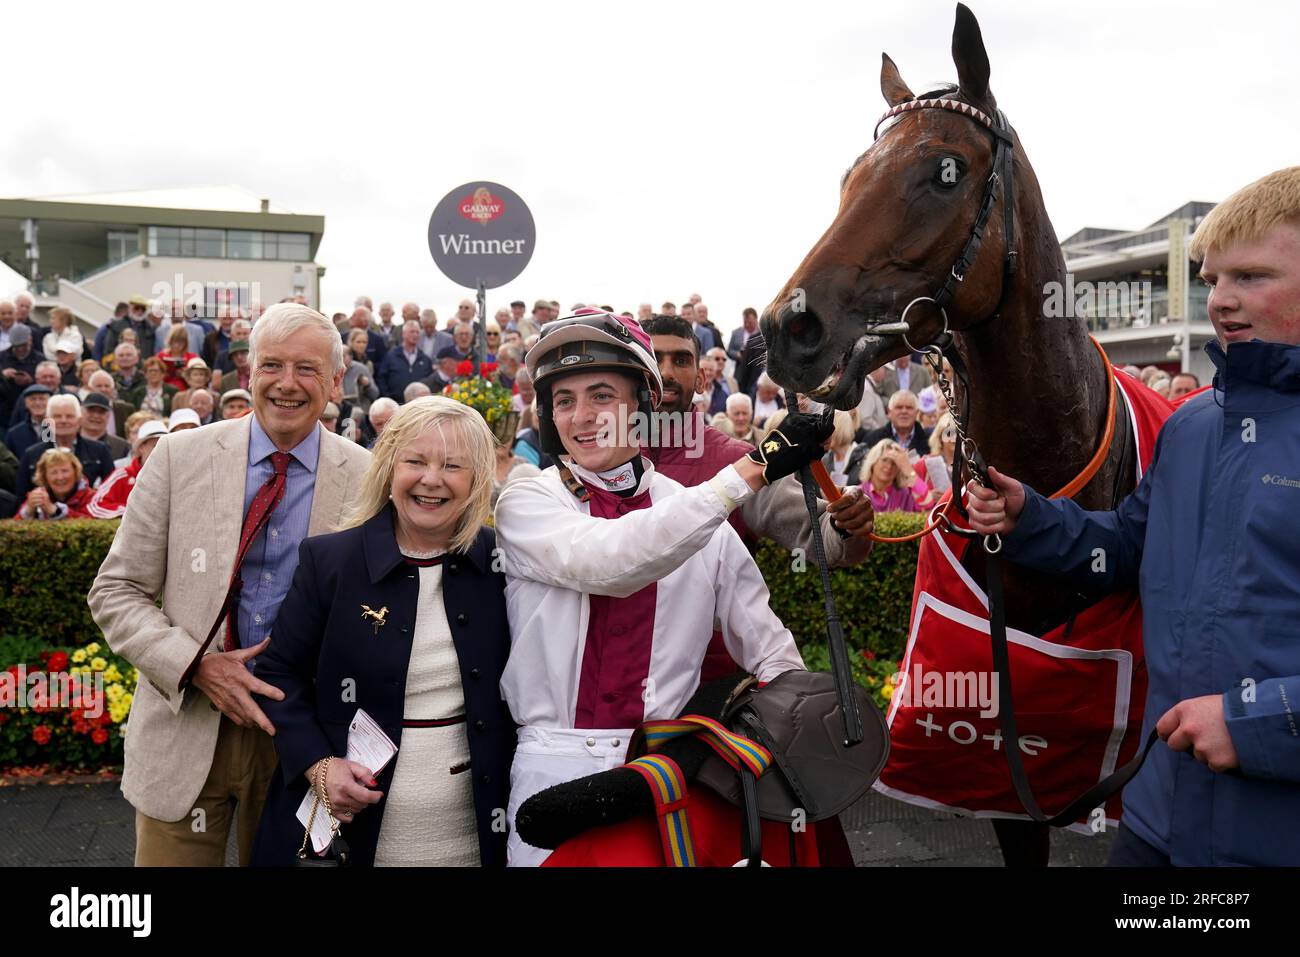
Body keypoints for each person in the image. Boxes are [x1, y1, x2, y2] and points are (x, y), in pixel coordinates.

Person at [965, 166, 1300, 866]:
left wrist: (1260, 723)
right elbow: (1123, 546)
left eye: (1251, 277)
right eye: (1212, 280)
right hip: (1155, 823)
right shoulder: (1192, 427)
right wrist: (1029, 516)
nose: (1222, 302)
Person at [494, 311, 833, 866]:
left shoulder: (699, 513)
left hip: (666, 780)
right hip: (550, 773)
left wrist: (809, 745)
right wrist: (749, 471)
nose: (582, 417)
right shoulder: (527, 500)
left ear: (644, 407)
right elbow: (611, 560)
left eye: (601, 395)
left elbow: (771, 654)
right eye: (563, 401)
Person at [87, 303, 372, 866]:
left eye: (308, 369)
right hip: (185, 728)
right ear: (248, 373)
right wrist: (195, 664)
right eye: (272, 366)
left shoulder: (367, 478)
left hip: (302, 742)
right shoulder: (176, 457)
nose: (287, 384)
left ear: (337, 379)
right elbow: (116, 591)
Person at [251, 397, 514, 867]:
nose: (431, 479)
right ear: (389, 468)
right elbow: (279, 676)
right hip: (354, 831)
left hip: (473, 833)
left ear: (476, 480)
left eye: (453, 466)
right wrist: (317, 764)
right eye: (415, 461)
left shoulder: (502, 565)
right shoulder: (328, 561)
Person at [15, 394, 116, 501]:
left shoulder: (100, 451)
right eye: (57, 416)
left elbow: (113, 492)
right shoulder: (31, 454)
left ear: (79, 420)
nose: (63, 421)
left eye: (69, 416)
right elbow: (21, 497)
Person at [86, 420, 168, 519]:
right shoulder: (122, 475)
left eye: (166, 446)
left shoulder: (175, 477)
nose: (161, 450)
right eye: (155, 446)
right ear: (141, 447)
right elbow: (94, 505)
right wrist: (128, 512)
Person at [13, 448, 95, 520]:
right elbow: (12, 531)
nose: (60, 477)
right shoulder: (38, 497)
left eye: (65, 471)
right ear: (44, 477)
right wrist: (27, 512)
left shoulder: (93, 498)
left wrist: (56, 512)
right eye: (53, 472)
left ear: (76, 472)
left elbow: (96, 527)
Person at [858, 438, 925, 512]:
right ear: (873, 462)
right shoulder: (858, 494)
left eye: (894, 463)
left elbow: (927, 506)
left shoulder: (905, 495)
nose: (889, 466)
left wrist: (909, 471)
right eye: (884, 460)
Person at [376, 320, 434, 401]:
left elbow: (430, 380)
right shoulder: (391, 356)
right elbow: (381, 378)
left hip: (419, 405)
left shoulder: (425, 359)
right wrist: (388, 397)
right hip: (396, 404)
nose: (415, 335)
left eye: (417, 332)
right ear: (403, 334)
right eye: (412, 332)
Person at [860, 389, 929, 457]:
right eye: (899, 407)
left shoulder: (929, 441)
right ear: (889, 412)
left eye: (909, 408)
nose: (904, 411)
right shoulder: (872, 439)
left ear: (917, 413)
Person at [821, 410, 867, 488]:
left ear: (839, 430)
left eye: (826, 431)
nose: (822, 435)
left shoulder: (865, 460)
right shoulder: (824, 460)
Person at [80, 392, 131, 460]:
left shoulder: (121, 446)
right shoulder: (71, 441)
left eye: (101, 412)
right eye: (91, 410)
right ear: (81, 412)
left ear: (108, 416)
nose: (96, 416)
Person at [920, 412, 957, 502]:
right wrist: (929, 496)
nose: (955, 438)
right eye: (949, 433)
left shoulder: (970, 465)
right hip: (933, 513)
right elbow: (910, 496)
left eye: (959, 434)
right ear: (940, 436)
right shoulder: (924, 463)